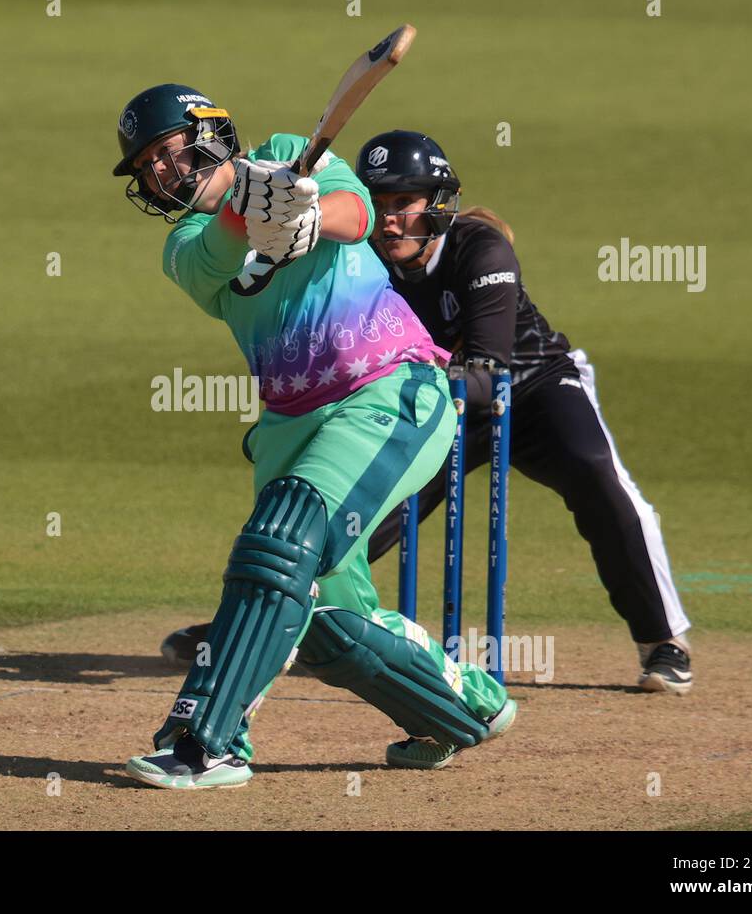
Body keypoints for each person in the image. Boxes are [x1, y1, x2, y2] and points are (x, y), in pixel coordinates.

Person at [164, 131, 694, 695]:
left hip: (532, 387)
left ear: (437, 204)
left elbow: (487, 373)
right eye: (381, 204)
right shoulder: (360, 254)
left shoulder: (481, 248)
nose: (390, 221)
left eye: (404, 204)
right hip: (428, 401)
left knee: (594, 471)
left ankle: (662, 640)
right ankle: (254, 626)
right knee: (346, 517)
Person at [113, 85, 517, 789]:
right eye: (149, 167)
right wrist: (254, 216)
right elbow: (217, 250)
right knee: (330, 619)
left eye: (171, 150)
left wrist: (305, 215)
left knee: (278, 545)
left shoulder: (284, 158)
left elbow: (357, 213)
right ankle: (463, 708)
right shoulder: (180, 248)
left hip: (389, 392)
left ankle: (208, 740)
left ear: (211, 133)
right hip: (290, 424)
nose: (166, 172)